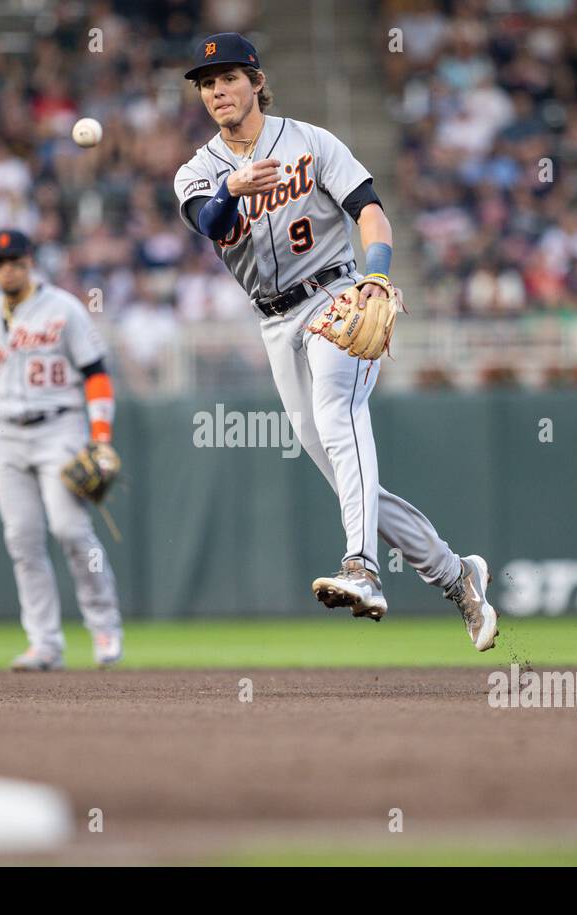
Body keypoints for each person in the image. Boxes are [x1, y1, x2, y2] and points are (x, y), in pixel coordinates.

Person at [171, 33, 499, 651]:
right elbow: (209, 225)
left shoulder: (311, 141)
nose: (218, 90)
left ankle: (362, 568)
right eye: (207, 83)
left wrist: (377, 274)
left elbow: (371, 212)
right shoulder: (197, 171)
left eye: (230, 77)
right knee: (352, 481)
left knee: (337, 411)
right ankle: (459, 577)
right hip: (273, 321)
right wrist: (230, 192)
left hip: (337, 296)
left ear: (257, 81)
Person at [0, 230, 124, 671]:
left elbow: (96, 373)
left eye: (15, 261)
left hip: (59, 426)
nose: (8, 269)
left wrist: (100, 437)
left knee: (69, 529)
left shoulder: (64, 308)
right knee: (21, 538)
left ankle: (105, 625)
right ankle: (44, 643)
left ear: (30, 262)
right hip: (7, 435)